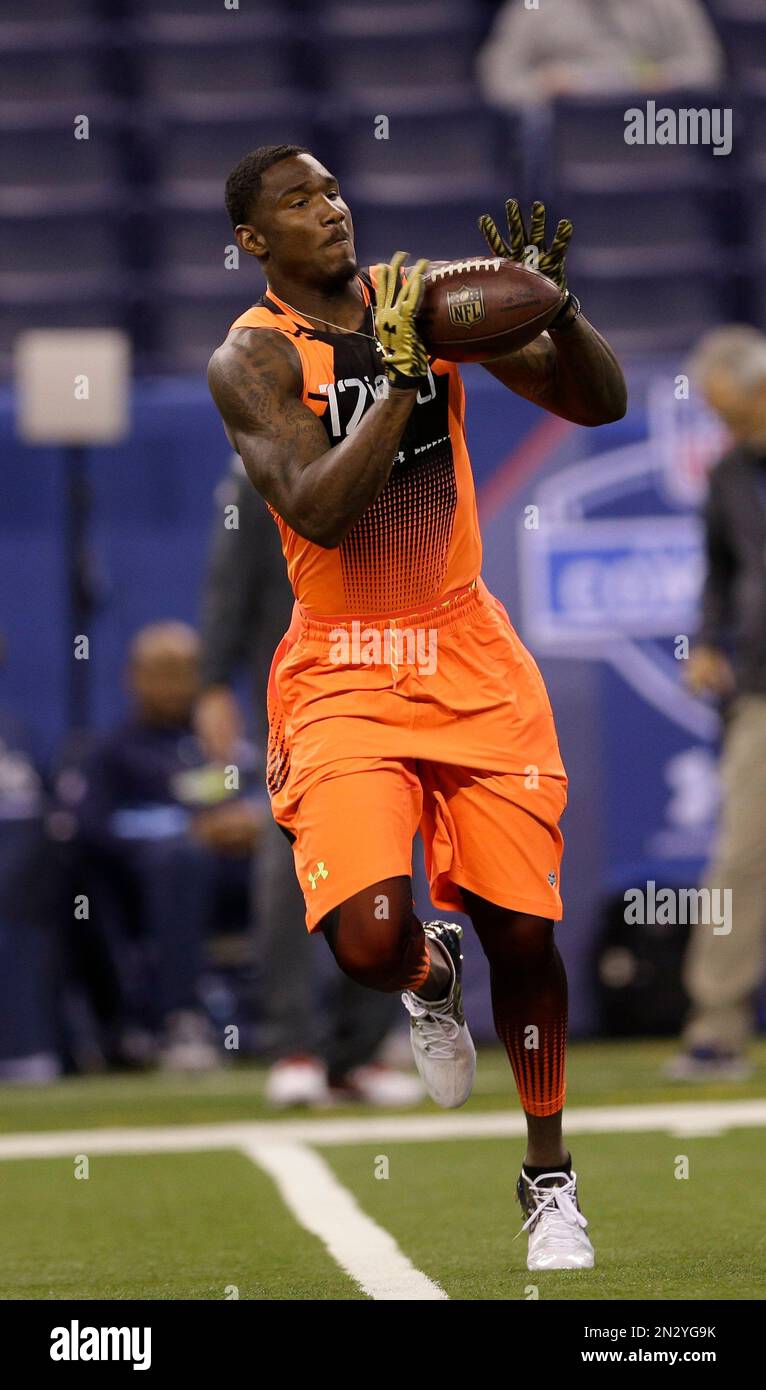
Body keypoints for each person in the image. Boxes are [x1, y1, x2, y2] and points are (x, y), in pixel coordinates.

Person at [207, 145, 626, 1270]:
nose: (329, 209)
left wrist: (557, 309)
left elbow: (599, 402)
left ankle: (548, 1180)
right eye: (298, 202)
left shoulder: (426, 301)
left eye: (333, 189)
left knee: (526, 933)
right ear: (254, 241)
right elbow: (320, 507)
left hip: (466, 651)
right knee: (368, 940)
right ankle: (425, 977)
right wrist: (398, 378)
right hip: (345, 666)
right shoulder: (250, 358)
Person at [196, 454, 424, 1106]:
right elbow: (228, 584)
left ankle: (358, 1055)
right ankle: (294, 1046)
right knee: (289, 876)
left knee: (384, 873)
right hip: (300, 695)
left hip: (387, 688)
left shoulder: (395, 450)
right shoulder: (259, 466)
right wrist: (213, 679)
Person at [69, 621, 263, 1070]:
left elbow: (265, 794)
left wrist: (254, 821)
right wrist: (187, 829)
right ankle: (181, 1020)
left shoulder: (224, 744)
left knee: (297, 855)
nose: (176, 682)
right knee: (182, 858)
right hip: (151, 886)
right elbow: (92, 828)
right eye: (162, 670)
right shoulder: (115, 751)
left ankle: (316, 1016)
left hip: (234, 877)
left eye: (186, 670)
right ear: (133, 678)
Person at [668, 326, 766, 1081]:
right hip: (761, 691)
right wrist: (705, 641)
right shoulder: (730, 471)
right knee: (741, 857)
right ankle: (717, 1029)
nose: (718, 418)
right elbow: (717, 572)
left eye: (724, 406)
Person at [478, 0, 724, 107]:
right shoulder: (532, 8)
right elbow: (497, 81)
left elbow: (706, 66)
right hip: (566, 139)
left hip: (649, 129)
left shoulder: (671, 4)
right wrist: (542, 85)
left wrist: (663, 78)